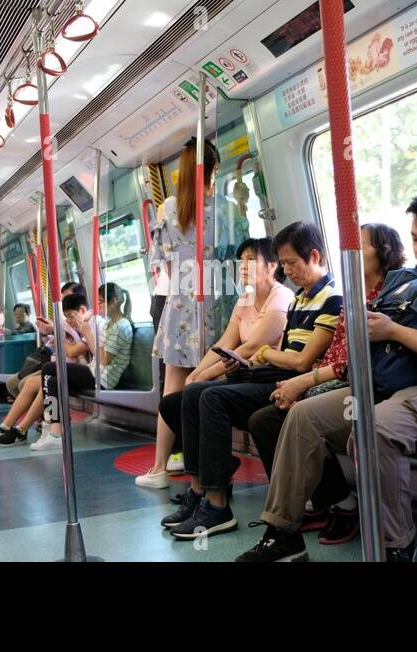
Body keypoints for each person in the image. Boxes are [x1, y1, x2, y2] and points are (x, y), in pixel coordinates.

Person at [237, 189, 417, 562]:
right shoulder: (408, 281)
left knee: (376, 426)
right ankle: (284, 534)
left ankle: (397, 545)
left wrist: (394, 331)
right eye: (414, 238)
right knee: (303, 415)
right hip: (387, 388)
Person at [158, 221, 342, 538]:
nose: (288, 270)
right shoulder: (298, 299)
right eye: (284, 264)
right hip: (268, 371)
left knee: (210, 397)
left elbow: (292, 359)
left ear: (312, 257)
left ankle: (217, 503)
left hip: (292, 378)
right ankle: (202, 489)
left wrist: (263, 358)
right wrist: (200, 373)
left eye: (289, 263)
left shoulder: (309, 298)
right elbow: (234, 345)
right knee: (186, 397)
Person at [135, 237, 294, 488]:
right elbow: (226, 343)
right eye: (241, 260)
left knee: (201, 395)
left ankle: (212, 484)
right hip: (242, 376)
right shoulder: (246, 299)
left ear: (273, 265)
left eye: (251, 260)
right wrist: (195, 373)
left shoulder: (282, 297)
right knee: (172, 403)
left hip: (267, 377)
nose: (242, 266)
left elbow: (251, 348)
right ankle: (207, 477)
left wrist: (207, 375)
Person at [145, 138, 219, 482]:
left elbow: (169, 268)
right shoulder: (219, 207)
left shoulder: (169, 208)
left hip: (179, 302)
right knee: (203, 382)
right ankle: (202, 466)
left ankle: (160, 467)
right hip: (216, 300)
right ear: (212, 170)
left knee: (172, 386)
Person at [29, 283, 133, 451]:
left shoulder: (121, 326)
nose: (98, 306)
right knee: (53, 381)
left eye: (101, 302)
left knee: (49, 368)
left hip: (104, 378)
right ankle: (54, 431)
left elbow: (104, 359)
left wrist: (87, 333)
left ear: (113, 302)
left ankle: (51, 427)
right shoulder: (109, 324)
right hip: (96, 371)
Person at [0, 291, 98, 446]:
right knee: (30, 383)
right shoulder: (75, 324)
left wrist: (58, 335)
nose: (69, 320)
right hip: (69, 366)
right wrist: (53, 331)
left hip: (80, 369)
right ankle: (6, 426)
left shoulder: (91, 324)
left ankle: (25, 428)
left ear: (82, 309)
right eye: (66, 316)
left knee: (45, 381)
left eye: (71, 315)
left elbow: (74, 351)